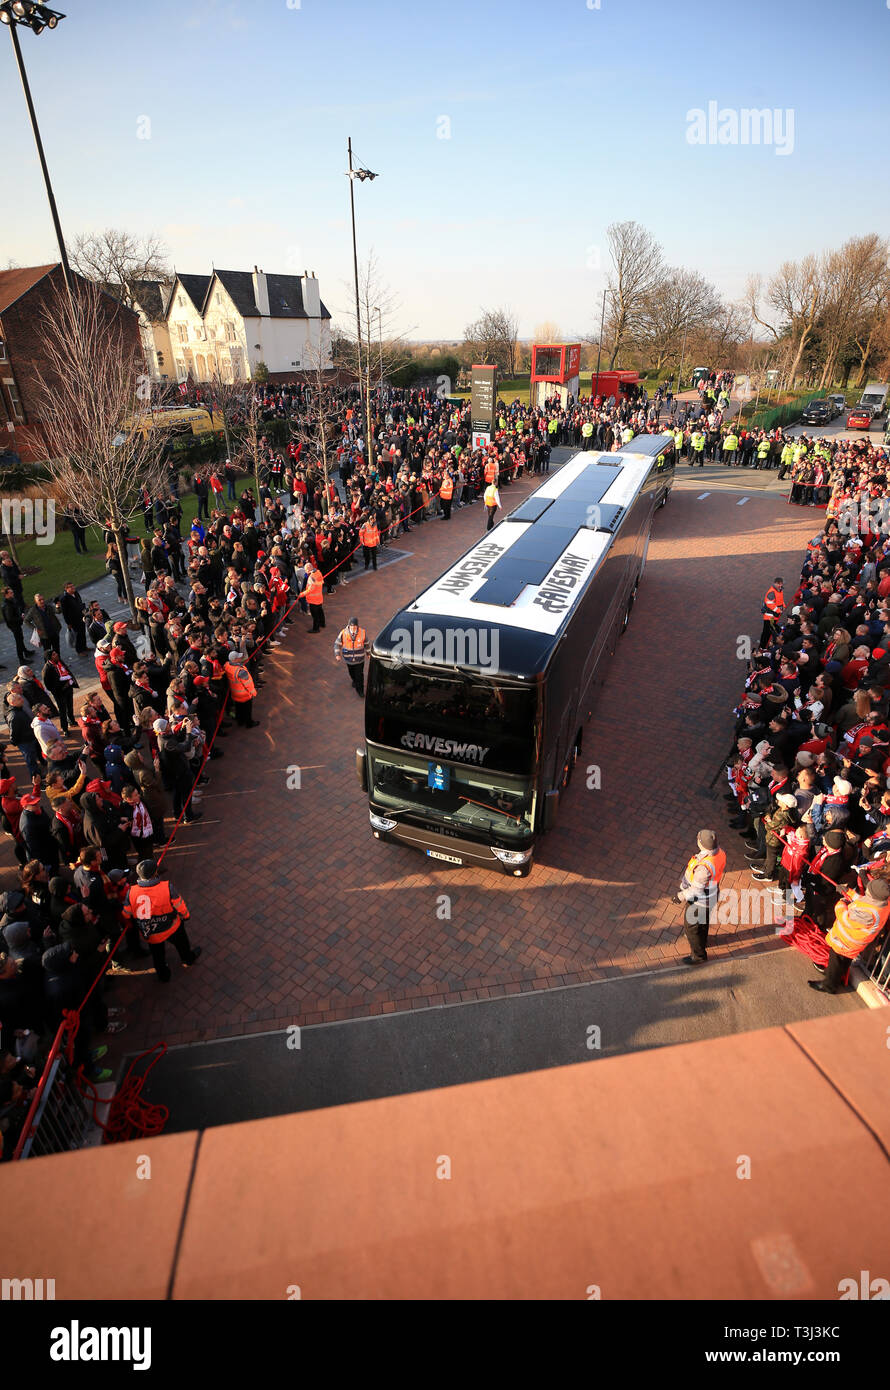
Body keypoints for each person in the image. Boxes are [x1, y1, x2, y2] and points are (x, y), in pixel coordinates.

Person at [120, 858, 202, 984]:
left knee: (157, 956)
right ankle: (187, 959)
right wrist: (185, 916)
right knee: (182, 944)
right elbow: (179, 905)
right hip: (172, 927)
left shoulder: (131, 892)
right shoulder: (167, 887)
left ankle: (163, 975)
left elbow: (126, 913)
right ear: (154, 874)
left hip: (151, 933)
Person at [810, 878, 890, 994]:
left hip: (846, 942)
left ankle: (829, 985)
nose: (867, 889)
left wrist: (841, 902)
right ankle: (835, 975)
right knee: (844, 961)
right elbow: (863, 900)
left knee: (836, 960)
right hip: (851, 942)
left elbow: (845, 918)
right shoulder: (882, 902)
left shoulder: (871, 913)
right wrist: (848, 892)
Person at [676, 829, 726, 964]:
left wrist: (680, 896)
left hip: (700, 900)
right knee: (702, 922)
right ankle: (702, 941)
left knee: (691, 927)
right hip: (712, 894)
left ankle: (698, 955)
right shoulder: (720, 852)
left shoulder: (704, 867)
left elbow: (696, 890)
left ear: (702, 843)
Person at [334, 617, 370, 696]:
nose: (353, 628)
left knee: (359, 675)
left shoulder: (362, 632)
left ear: (357, 626)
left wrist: (368, 653)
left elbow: (367, 644)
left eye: (355, 626)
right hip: (349, 659)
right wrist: (337, 654)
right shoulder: (343, 633)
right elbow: (337, 644)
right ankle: (354, 680)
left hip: (359, 659)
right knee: (352, 673)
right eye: (351, 626)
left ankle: (360, 691)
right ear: (349, 626)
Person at [224, 650, 259, 728]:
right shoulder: (241, 671)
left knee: (238, 708)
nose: (240, 658)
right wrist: (253, 692)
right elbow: (248, 684)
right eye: (238, 657)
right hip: (244, 695)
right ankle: (249, 723)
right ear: (235, 660)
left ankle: (240, 721)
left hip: (235, 693)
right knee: (247, 710)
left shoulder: (227, 666)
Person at [2, 588, 28, 666]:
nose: (12, 593)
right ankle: (21, 659)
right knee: (19, 641)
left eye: (12, 592)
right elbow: (10, 618)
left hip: (16, 625)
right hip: (14, 626)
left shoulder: (10, 601)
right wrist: (21, 618)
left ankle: (26, 652)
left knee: (21, 638)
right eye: (10, 593)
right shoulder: (7, 605)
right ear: (6, 595)